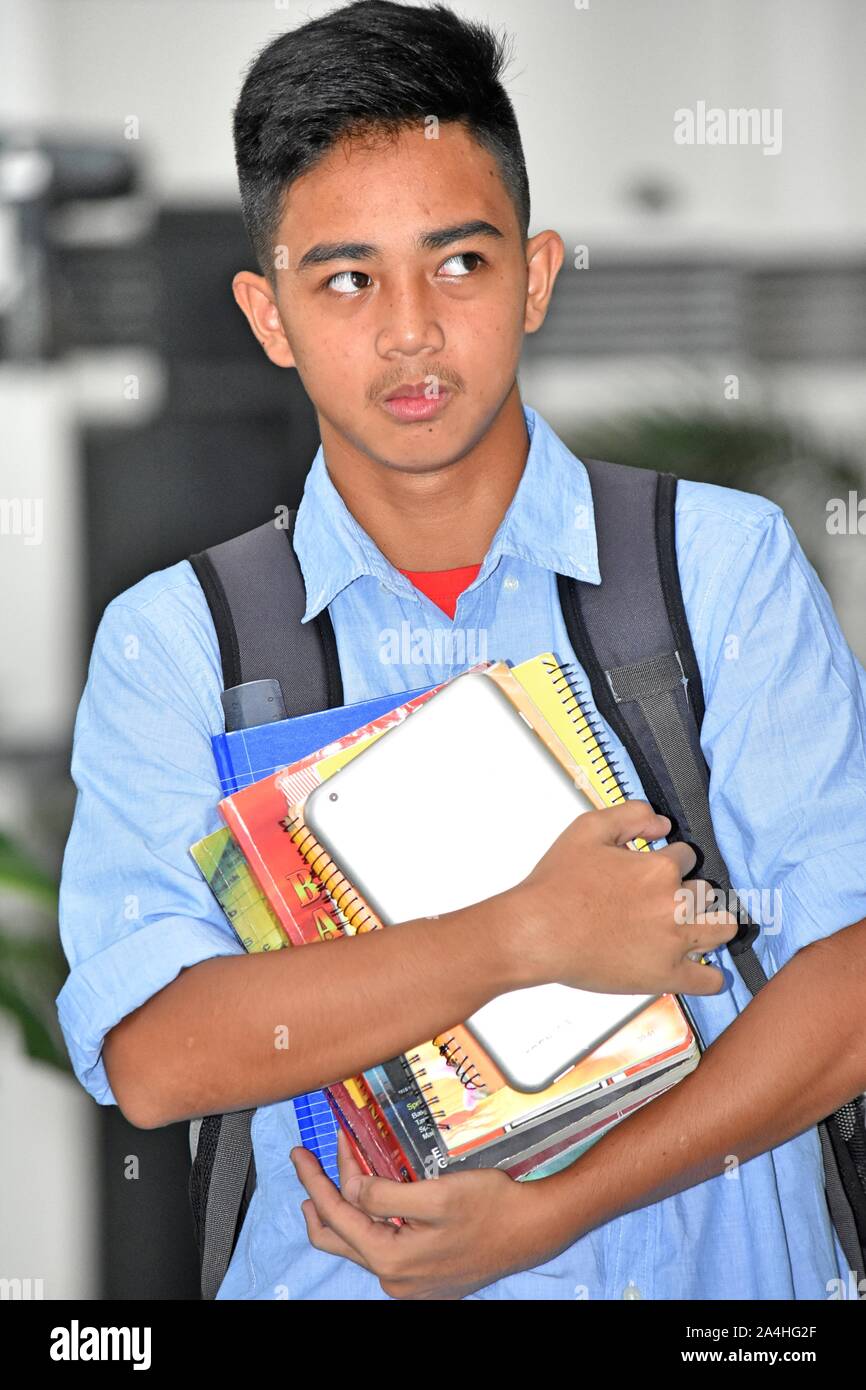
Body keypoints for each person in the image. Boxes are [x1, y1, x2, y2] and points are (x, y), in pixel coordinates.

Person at [56, 0, 866, 1301]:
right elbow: (157, 1047)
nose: (409, 329)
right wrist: (520, 934)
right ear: (268, 315)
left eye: (459, 263)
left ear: (536, 273)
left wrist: (551, 1212)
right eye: (345, 278)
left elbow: (850, 976)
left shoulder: (716, 564)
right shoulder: (179, 640)